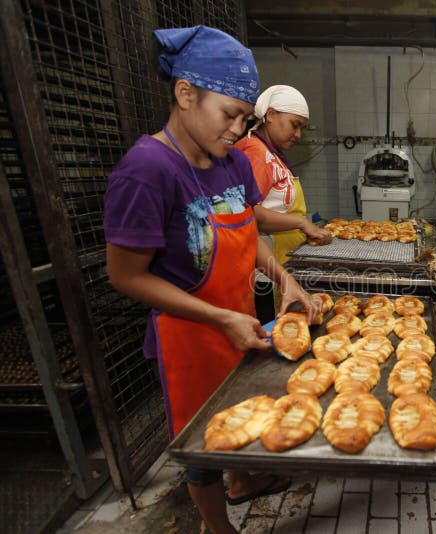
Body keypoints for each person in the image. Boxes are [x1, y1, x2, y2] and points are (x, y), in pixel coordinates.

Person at [103, 26, 318, 534]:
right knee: (202, 447)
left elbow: (249, 235)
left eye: (245, 117)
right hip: (190, 338)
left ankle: (244, 481)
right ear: (185, 93)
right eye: (229, 114)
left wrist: (285, 280)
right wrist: (218, 315)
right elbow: (125, 274)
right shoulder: (147, 170)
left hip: (239, 320)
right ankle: (218, 527)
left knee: (240, 416)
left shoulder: (231, 164)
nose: (237, 128)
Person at [235, 85, 332, 319]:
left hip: (277, 262)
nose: (298, 135)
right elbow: (249, 214)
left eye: (302, 128)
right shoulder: (256, 153)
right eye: (294, 125)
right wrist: (300, 222)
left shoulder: (272, 153)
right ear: (270, 115)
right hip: (262, 272)